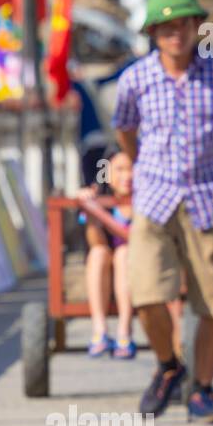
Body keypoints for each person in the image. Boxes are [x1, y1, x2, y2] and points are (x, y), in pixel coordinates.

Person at [113, 0, 213, 422]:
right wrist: (136, 162)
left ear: (196, 27)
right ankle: (169, 365)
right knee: (146, 293)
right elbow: (124, 128)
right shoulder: (136, 77)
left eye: (182, 25)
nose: (175, 34)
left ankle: (202, 391)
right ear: (152, 32)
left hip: (209, 199)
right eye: (165, 27)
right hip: (154, 198)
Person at [79, 148, 135, 358]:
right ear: (106, 172)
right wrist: (92, 209)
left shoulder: (146, 201)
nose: (127, 176)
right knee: (98, 253)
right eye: (119, 169)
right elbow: (95, 242)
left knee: (124, 253)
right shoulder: (101, 198)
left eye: (131, 169)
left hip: (134, 272)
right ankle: (100, 330)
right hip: (104, 275)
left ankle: (124, 331)